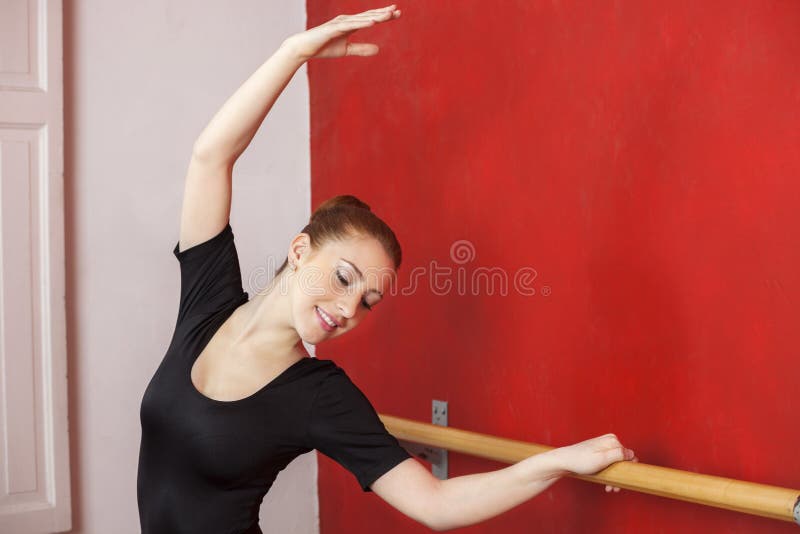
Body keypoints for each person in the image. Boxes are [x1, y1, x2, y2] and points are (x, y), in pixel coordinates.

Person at [137, 5, 638, 533]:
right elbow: (210, 156)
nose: (349, 310)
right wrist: (294, 52)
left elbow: (435, 504)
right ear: (300, 250)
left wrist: (556, 461)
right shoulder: (208, 302)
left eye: (368, 302)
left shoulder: (318, 395)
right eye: (345, 278)